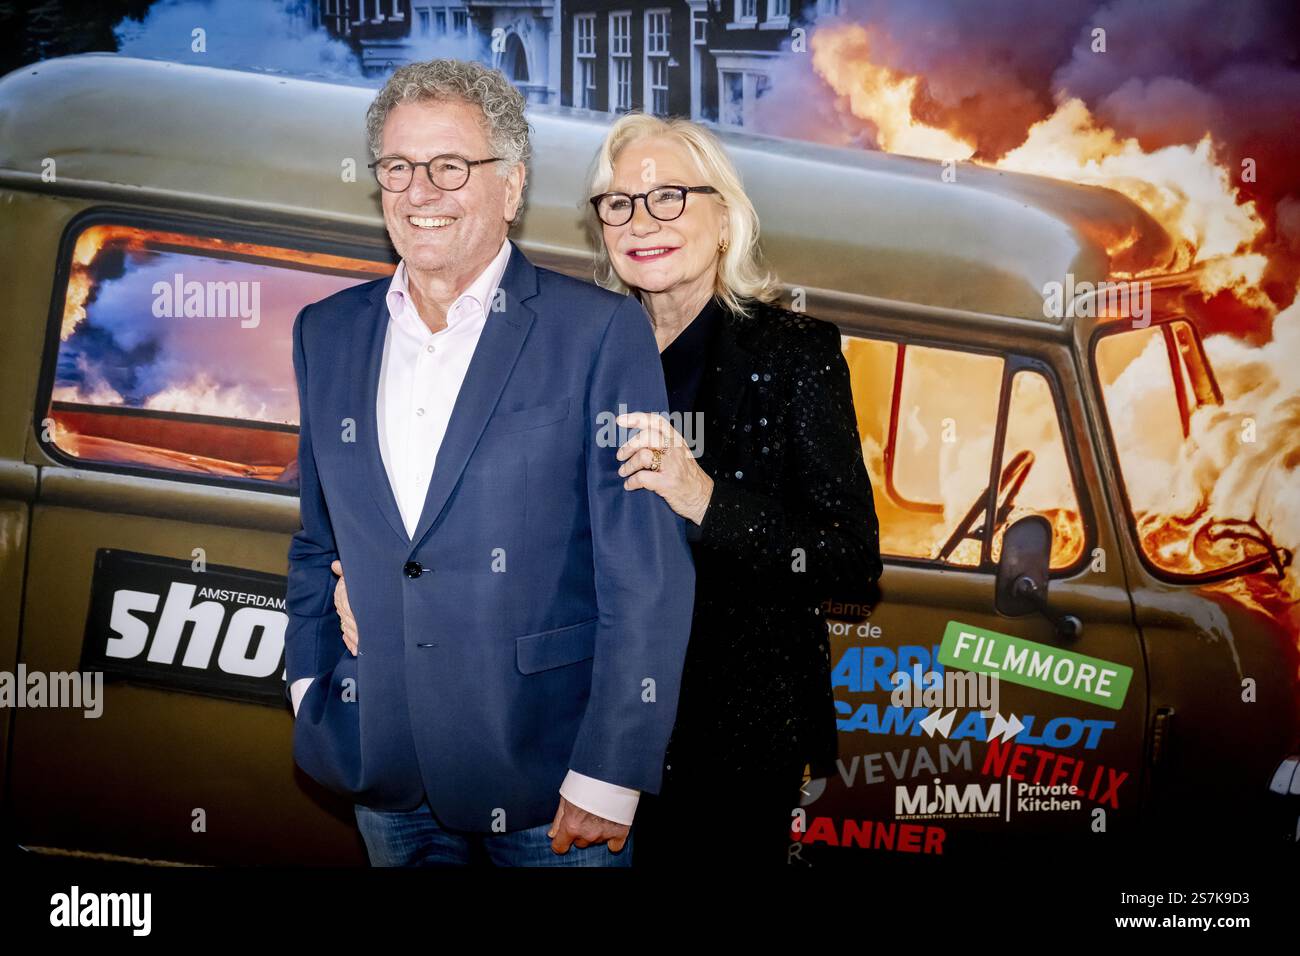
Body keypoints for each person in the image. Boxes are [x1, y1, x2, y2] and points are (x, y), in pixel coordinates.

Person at [284, 60, 694, 867]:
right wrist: (310, 686)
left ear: (511, 187)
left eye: (449, 166)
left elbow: (645, 571)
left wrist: (610, 771)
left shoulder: (599, 334)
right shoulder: (325, 333)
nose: (420, 191)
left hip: (552, 787)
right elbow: (316, 538)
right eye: (398, 167)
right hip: (385, 772)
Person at [588, 113, 884, 866]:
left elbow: (850, 562)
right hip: (591, 718)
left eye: (668, 198)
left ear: (724, 218)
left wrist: (706, 499)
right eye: (619, 203)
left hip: (732, 740)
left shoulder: (795, 356)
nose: (639, 221)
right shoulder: (582, 351)